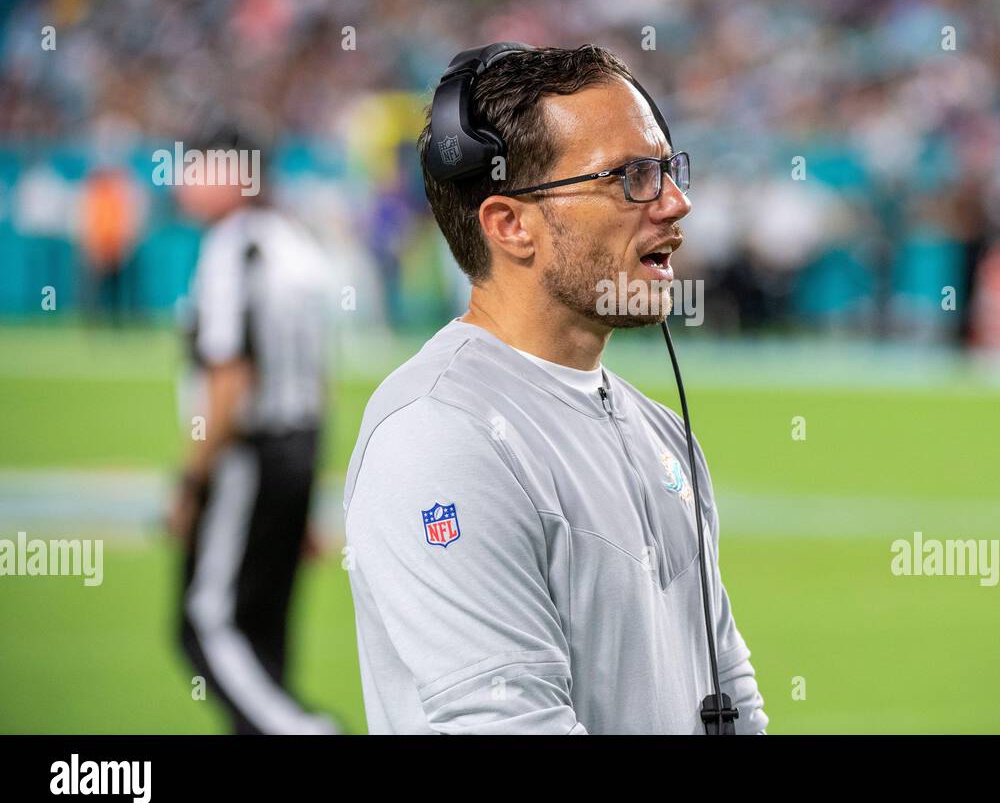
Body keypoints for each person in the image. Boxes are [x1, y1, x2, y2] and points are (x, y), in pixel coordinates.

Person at [343, 44, 767, 734]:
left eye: (667, 168)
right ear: (511, 224)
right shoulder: (439, 437)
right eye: (632, 177)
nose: (676, 203)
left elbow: (730, 697)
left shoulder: (660, 431)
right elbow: (507, 723)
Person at [169, 123, 337, 734]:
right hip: (297, 449)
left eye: (198, 165)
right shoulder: (297, 243)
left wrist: (190, 482)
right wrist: (306, 491)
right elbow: (317, 380)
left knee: (207, 623)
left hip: (249, 457)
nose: (185, 179)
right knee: (265, 630)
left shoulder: (231, 248)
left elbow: (230, 379)